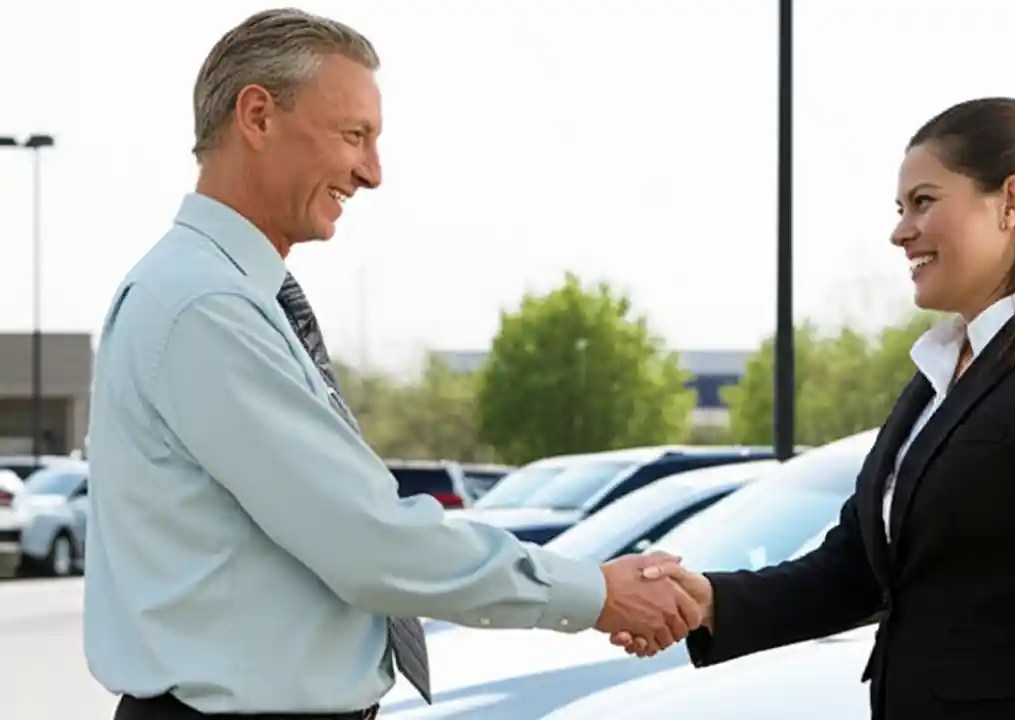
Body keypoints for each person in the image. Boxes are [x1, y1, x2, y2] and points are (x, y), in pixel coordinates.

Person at [85, 9, 698, 720]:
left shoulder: (217, 296)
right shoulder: (204, 307)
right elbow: (367, 540)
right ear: (257, 115)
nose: (371, 173)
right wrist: (595, 592)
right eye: (354, 136)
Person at [616, 97, 1015, 719]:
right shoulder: (938, 376)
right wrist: (710, 601)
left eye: (924, 202)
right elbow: (857, 567)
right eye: (901, 209)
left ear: (1012, 201)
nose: (901, 231)